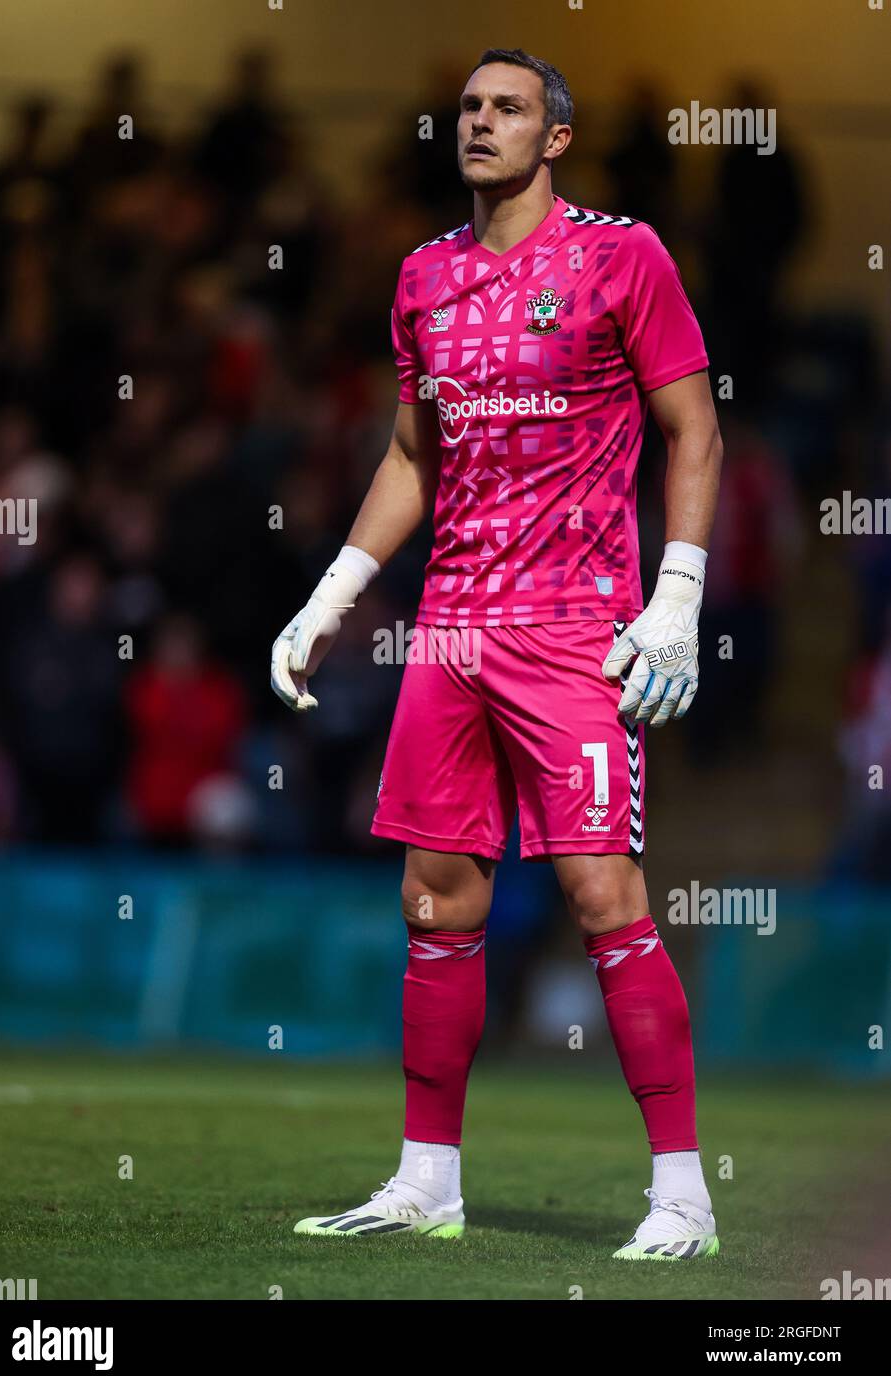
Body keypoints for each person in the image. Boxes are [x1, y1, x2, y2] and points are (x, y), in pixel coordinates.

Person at [272, 48, 723, 1260]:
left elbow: (693, 426)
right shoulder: (423, 276)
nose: (480, 124)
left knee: (599, 896)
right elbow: (410, 457)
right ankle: (427, 1180)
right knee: (433, 900)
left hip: (577, 628)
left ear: (555, 137)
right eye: (469, 108)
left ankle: (681, 1194)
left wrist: (675, 594)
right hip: (449, 632)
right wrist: (329, 596)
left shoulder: (620, 256)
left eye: (507, 108)